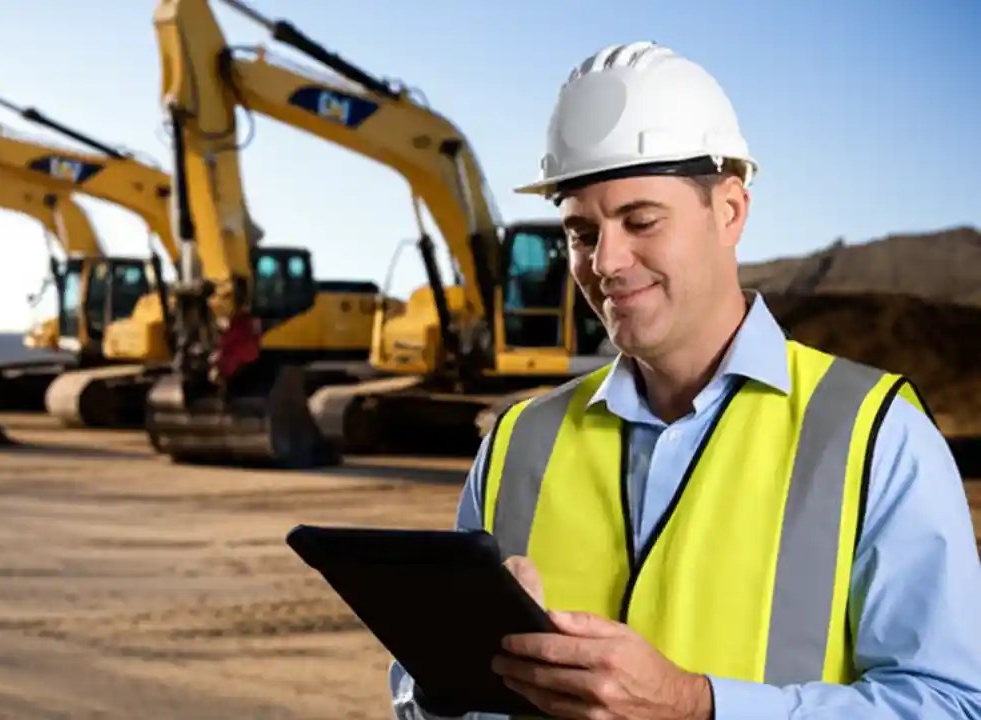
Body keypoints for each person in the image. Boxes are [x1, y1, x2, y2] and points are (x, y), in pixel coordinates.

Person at [389, 41, 981, 719]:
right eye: (581, 233)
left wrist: (696, 706)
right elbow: (424, 695)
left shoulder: (875, 434)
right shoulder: (517, 442)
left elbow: (952, 704)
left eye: (640, 221)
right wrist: (448, 679)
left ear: (730, 211)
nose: (606, 261)